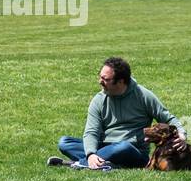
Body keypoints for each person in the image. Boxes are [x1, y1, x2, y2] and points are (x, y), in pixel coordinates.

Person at [50, 57, 183, 169]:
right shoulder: (99, 100)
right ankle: (99, 162)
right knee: (64, 142)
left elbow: (169, 118)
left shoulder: (143, 96)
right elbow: (91, 131)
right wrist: (91, 154)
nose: (100, 82)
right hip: (104, 147)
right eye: (100, 77)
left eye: (105, 79)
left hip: (132, 151)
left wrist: (182, 135)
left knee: (123, 146)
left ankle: (79, 163)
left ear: (120, 82)